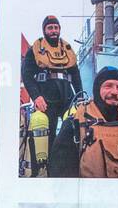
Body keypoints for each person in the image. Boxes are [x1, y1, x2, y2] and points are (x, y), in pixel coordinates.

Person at [49, 65, 118, 178]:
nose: (115, 92)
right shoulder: (74, 125)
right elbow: (61, 175)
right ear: (97, 89)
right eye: (108, 86)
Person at [21, 15, 82, 159]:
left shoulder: (67, 49)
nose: (53, 30)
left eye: (56, 27)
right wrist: (36, 96)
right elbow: (27, 74)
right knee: (48, 135)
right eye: (50, 28)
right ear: (44, 30)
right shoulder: (36, 49)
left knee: (73, 130)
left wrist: (79, 97)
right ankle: (46, 167)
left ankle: (69, 163)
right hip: (46, 100)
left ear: (59, 29)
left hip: (68, 98)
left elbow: (76, 75)